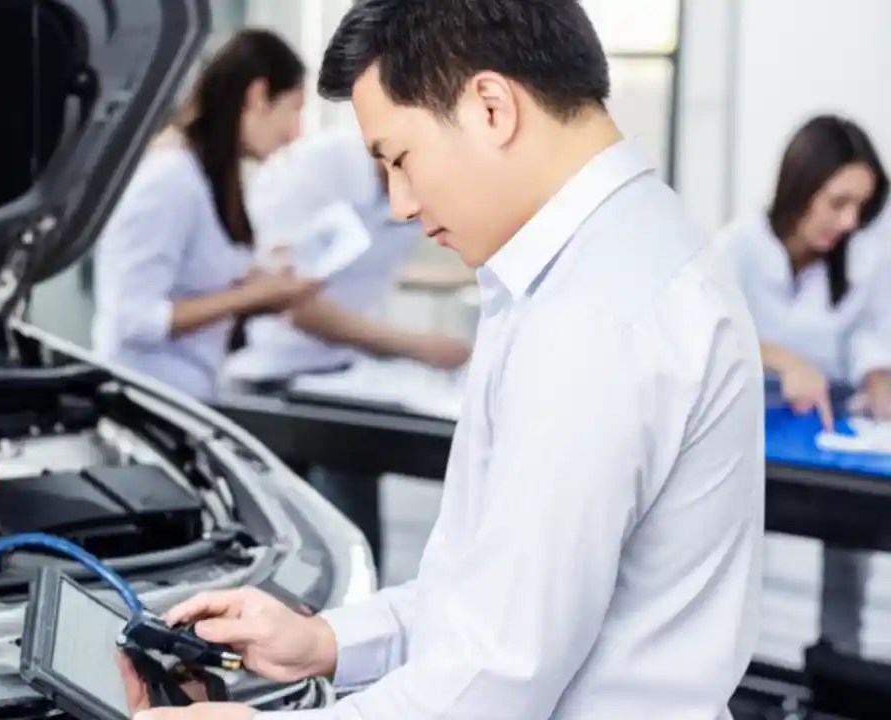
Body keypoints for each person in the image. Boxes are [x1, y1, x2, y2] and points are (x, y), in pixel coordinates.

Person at [126, 1, 764, 718]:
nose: (399, 203)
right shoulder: (587, 264)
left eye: (400, 158)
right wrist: (323, 639)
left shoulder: (596, 314)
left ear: (492, 107)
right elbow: (488, 601)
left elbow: (499, 676)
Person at [225, 125, 474, 569]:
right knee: (297, 546)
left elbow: (368, 273)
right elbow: (295, 304)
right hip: (275, 376)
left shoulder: (418, 178)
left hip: (347, 375)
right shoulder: (312, 173)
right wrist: (417, 347)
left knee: (352, 543)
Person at [715, 115, 891, 656]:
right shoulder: (736, 247)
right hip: (753, 428)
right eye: (838, 202)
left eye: (860, 207)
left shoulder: (859, 253)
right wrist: (780, 359)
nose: (849, 220)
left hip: (829, 425)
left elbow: (868, 329)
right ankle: (731, 666)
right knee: (730, 552)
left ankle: (838, 663)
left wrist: (879, 375)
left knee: (851, 527)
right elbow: (705, 332)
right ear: (801, 185)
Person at [91, 29, 319, 402]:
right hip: (145, 399)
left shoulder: (210, 177)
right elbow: (132, 318)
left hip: (188, 396)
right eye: (293, 109)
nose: (295, 134)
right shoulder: (170, 178)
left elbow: (194, 277)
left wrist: (258, 282)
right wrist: (250, 296)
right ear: (258, 96)